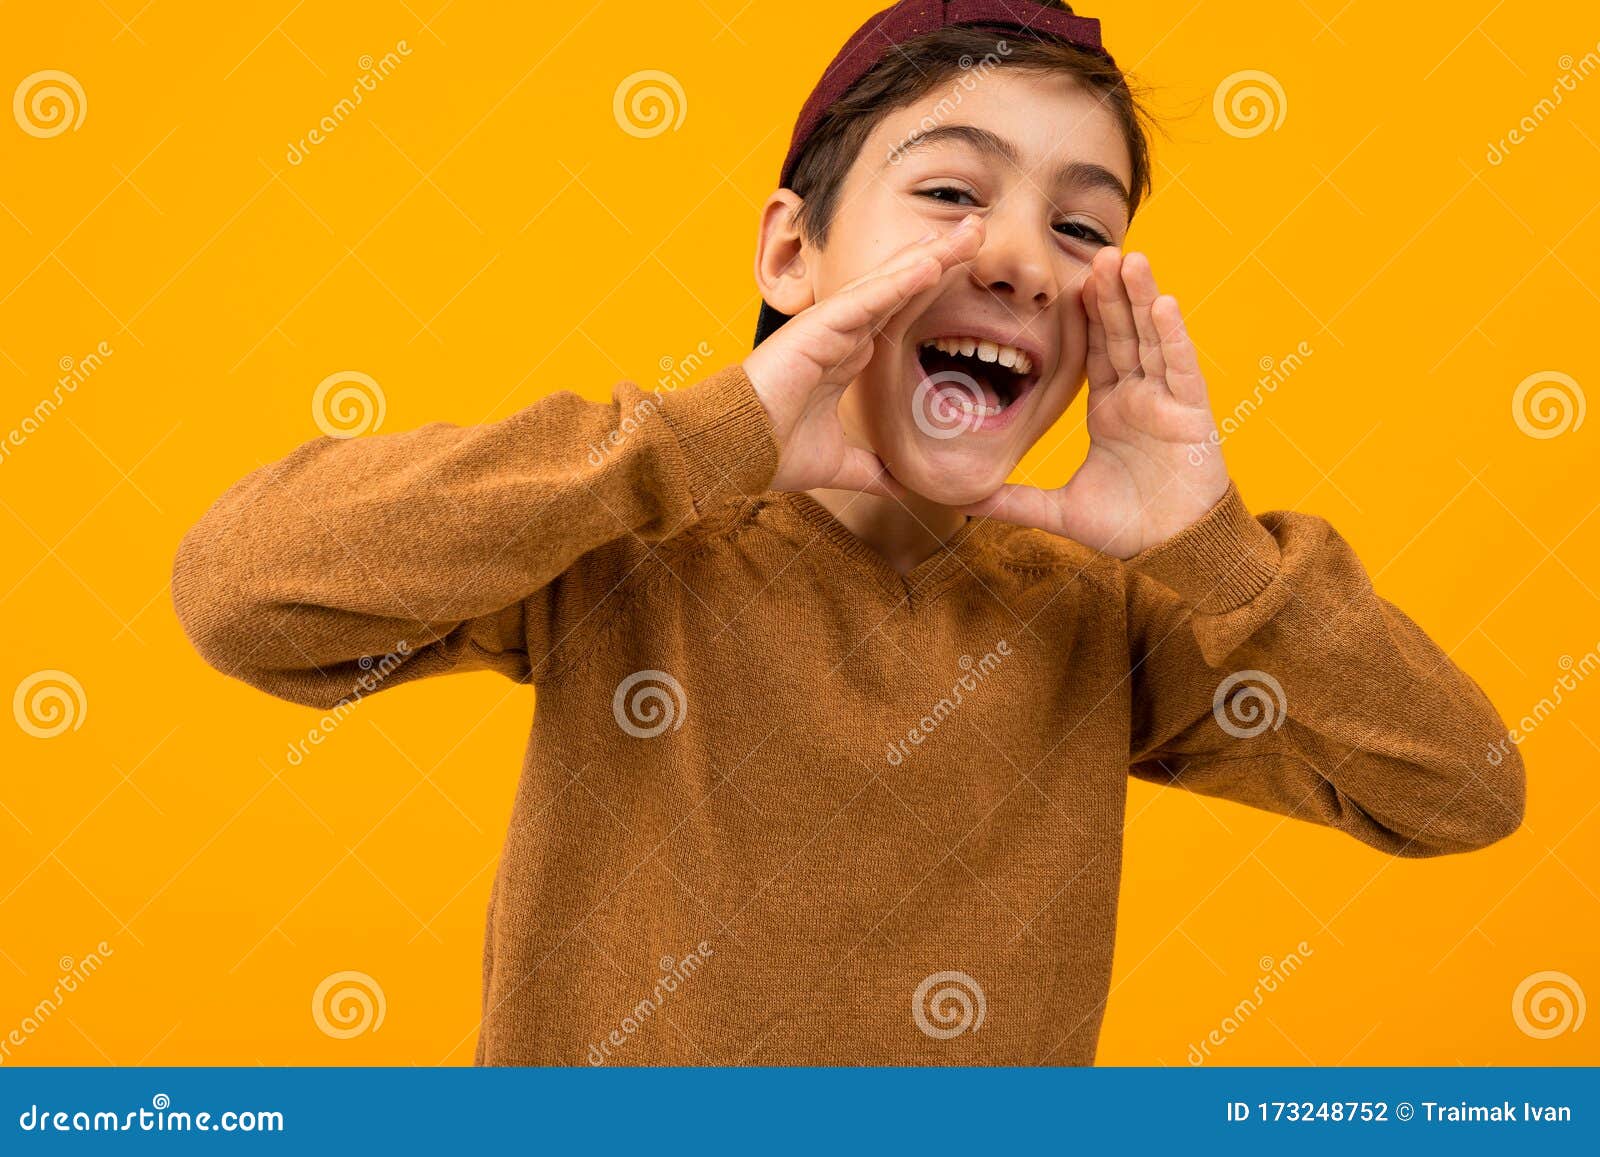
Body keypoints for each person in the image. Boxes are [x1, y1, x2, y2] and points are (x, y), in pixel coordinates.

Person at [172, 0, 1525, 1064]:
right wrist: (695, 441)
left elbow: (1459, 790)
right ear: (789, 254)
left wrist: (1216, 548)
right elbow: (244, 595)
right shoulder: (635, 537)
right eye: (951, 192)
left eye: (1081, 227)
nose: (1020, 256)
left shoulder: (1107, 619)